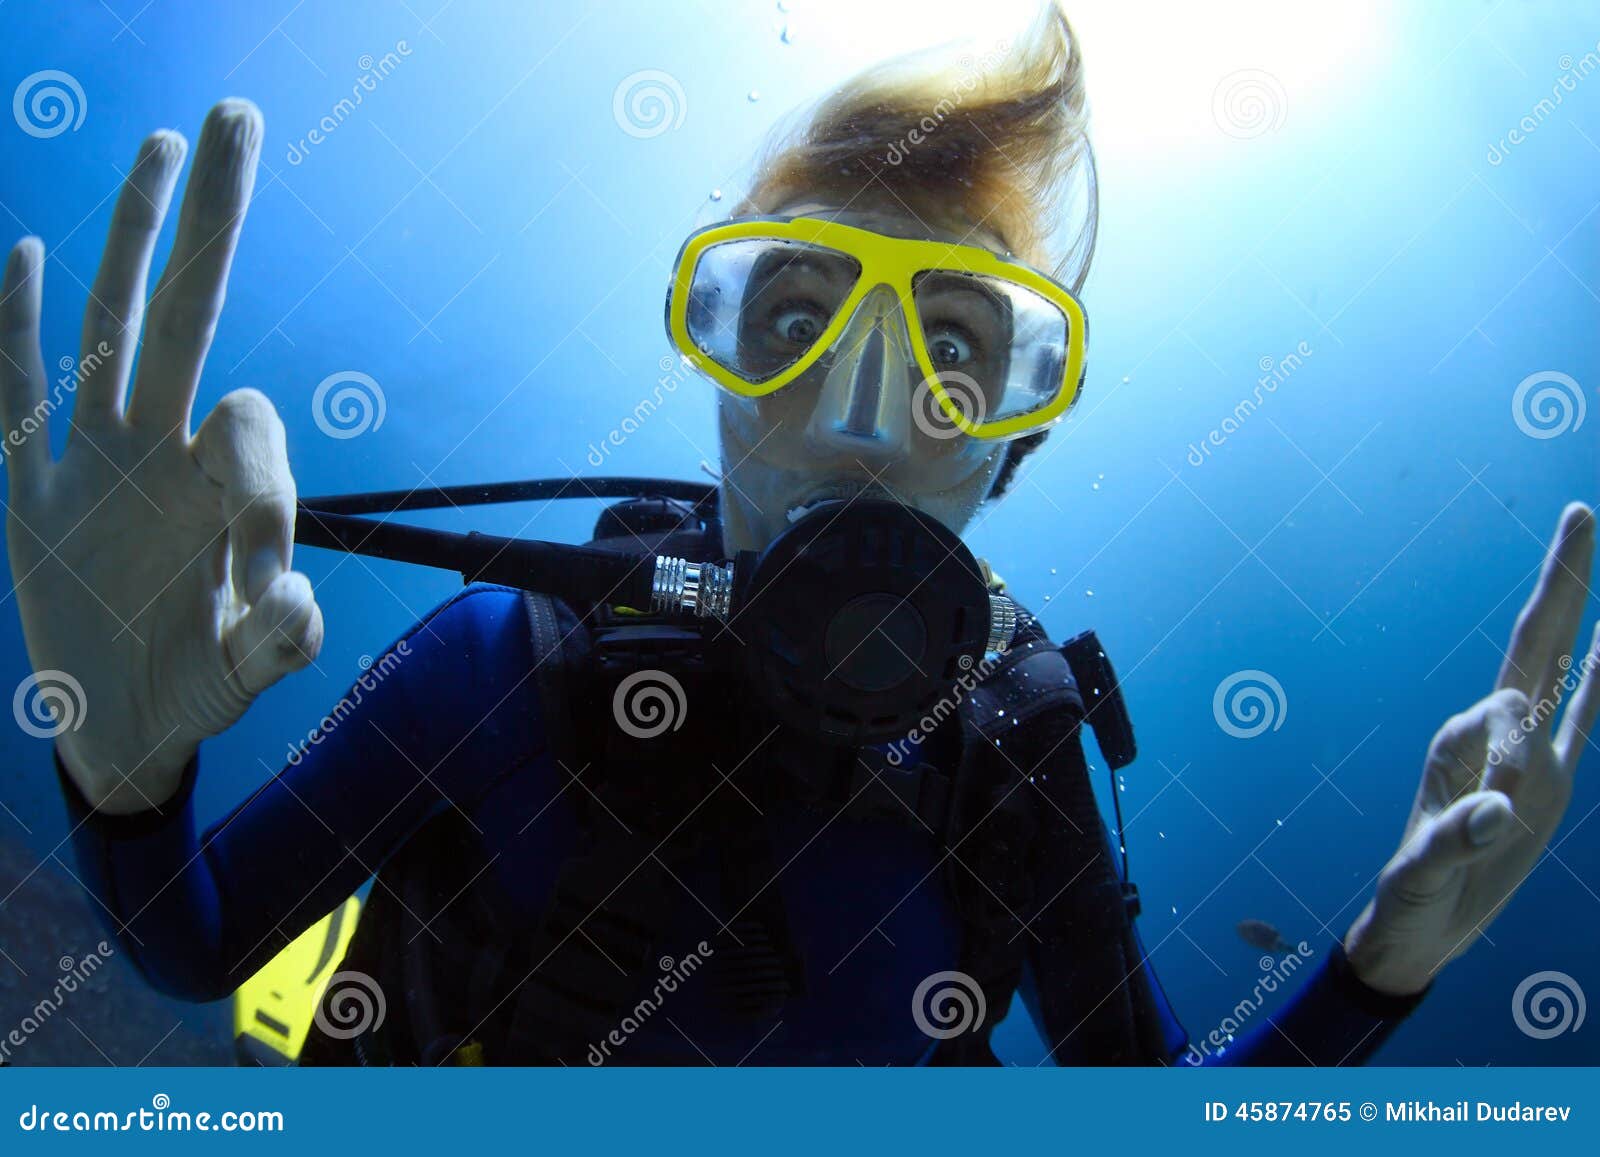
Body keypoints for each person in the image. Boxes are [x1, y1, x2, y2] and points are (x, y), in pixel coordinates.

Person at [1, 5, 1594, 1066]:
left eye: (956, 356)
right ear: (711, 388)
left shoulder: (1011, 763)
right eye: (790, 318)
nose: (855, 414)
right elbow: (194, 941)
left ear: (1014, 452)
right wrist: (123, 776)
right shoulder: (514, 659)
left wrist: (1382, 959)